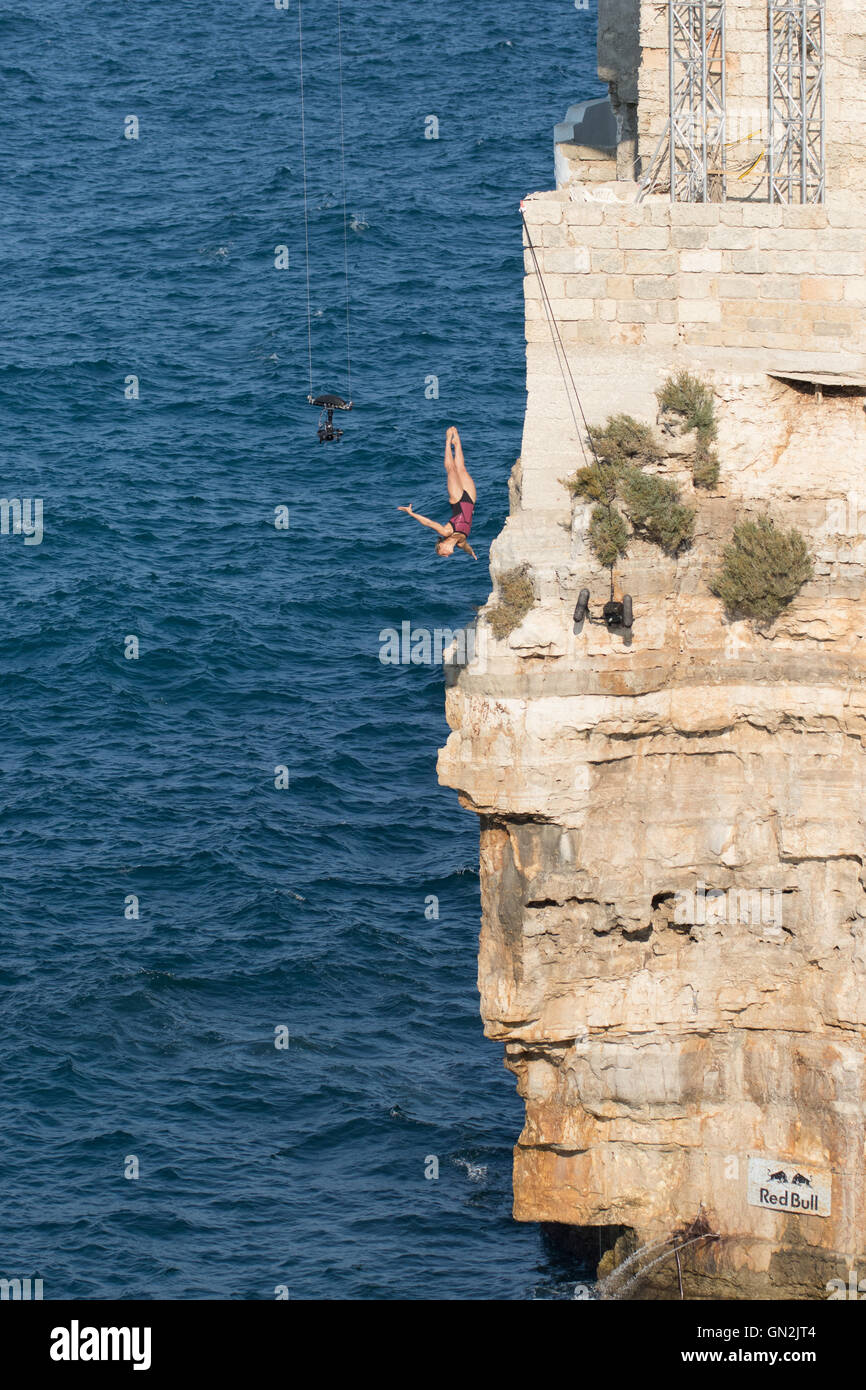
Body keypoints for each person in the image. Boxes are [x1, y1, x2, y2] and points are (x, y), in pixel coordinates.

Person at [398, 426, 478, 558]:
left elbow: (429, 523)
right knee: (462, 469)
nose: (446, 556)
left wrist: (412, 514)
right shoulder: (461, 542)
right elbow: (467, 548)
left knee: (451, 469)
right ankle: (457, 441)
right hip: (470, 501)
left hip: (458, 500)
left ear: (441, 545)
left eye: (443, 554)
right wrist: (472, 553)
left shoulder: (446, 532)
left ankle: (447, 441)